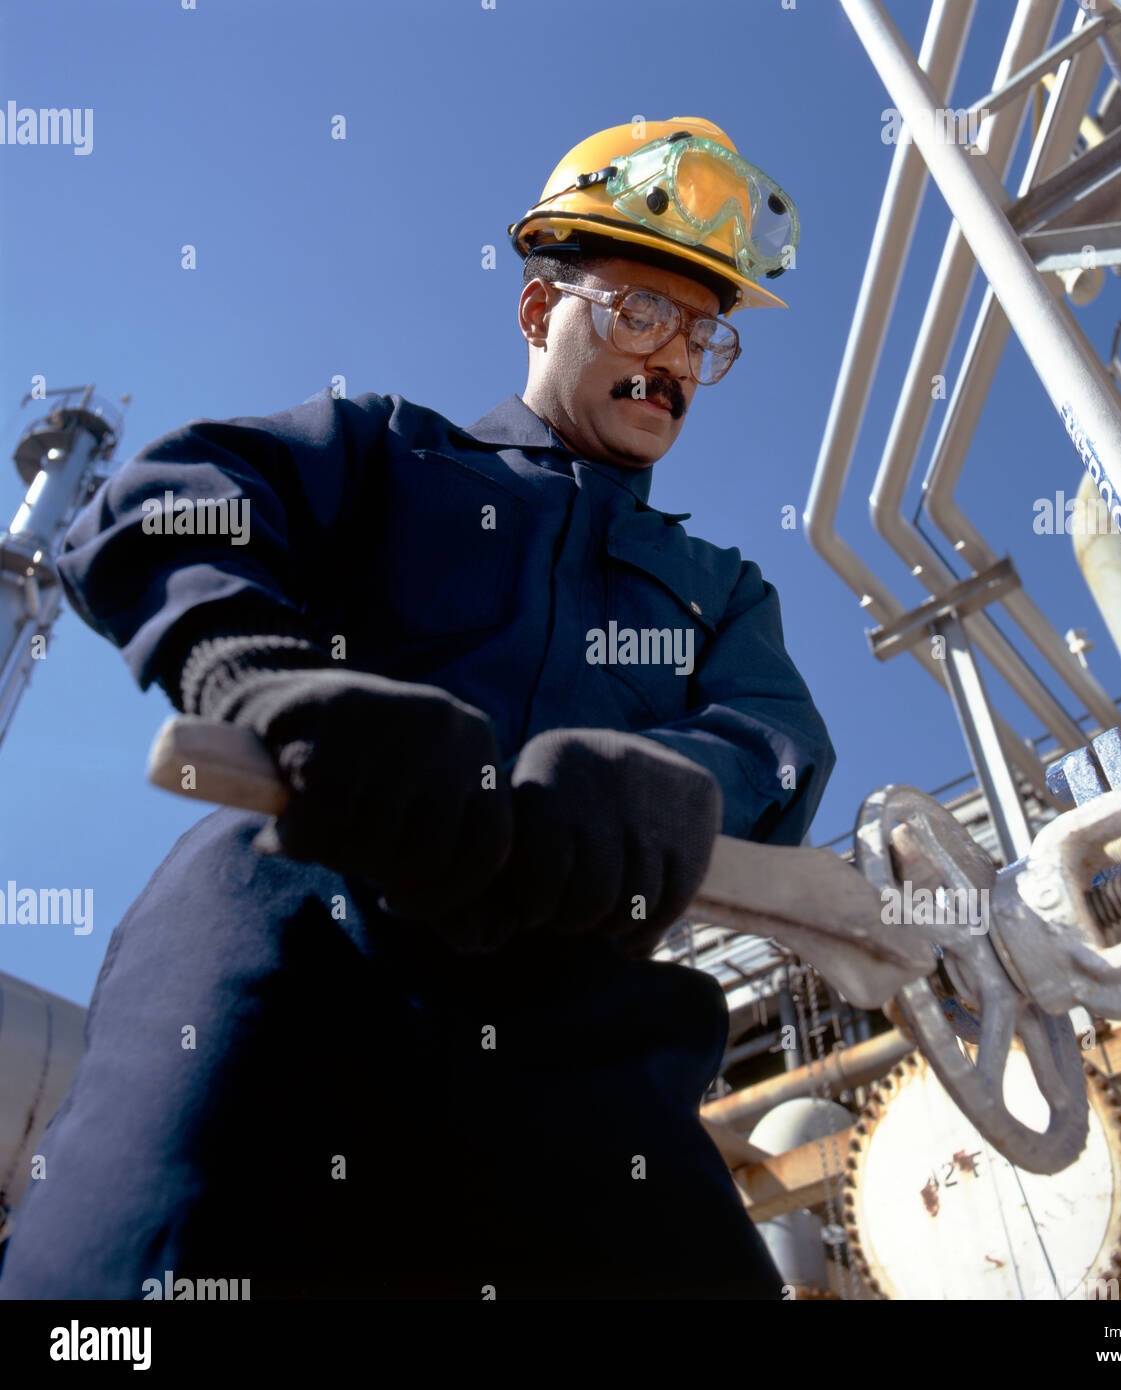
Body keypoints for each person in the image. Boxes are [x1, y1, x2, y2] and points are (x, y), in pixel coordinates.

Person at [0, 117, 836, 1300]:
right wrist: (269, 677)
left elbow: (781, 742)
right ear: (542, 314)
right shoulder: (392, 455)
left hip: (583, 1023)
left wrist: (674, 784)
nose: (677, 361)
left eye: (705, 337)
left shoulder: (724, 594)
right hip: (293, 935)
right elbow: (175, 497)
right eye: (641, 312)